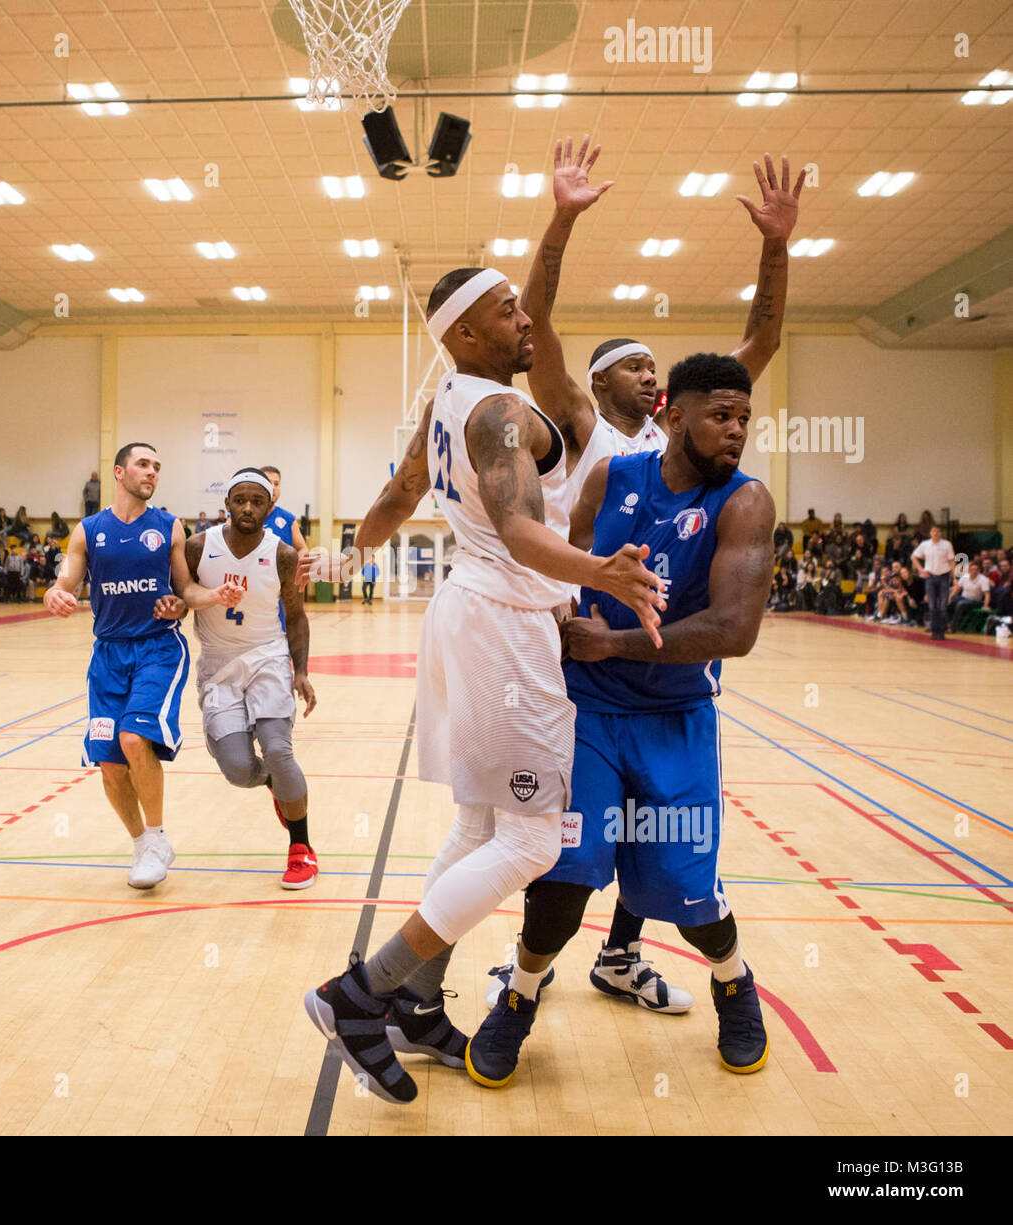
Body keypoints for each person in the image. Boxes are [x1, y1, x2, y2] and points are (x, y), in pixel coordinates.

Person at [302, 264, 668, 1104]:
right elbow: (517, 530)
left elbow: (399, 494)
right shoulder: (500, 410)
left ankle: (419, 1005)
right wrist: (602, 573)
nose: (526, 320)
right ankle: (360, 995)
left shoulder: (446, 402)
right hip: (503, 620)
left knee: (478, 824)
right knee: (533, 838)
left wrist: (351, 555)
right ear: (468, 335)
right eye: (509, 312)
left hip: (469, 611)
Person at [477, 138, 800, 1020]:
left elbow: (759, 341)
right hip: (589, 683)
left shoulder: (704, 444)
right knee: (578, 853)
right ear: (603, 383)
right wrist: (563, 221)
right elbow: (537, 324)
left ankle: (625, 956)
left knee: (661, 850)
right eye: (634, 362)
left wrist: (775, 243)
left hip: (667, 683)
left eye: (657, 364)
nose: (651, 371)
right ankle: (552, 972)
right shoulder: (589, 437)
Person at [466, 352, 777, 1086]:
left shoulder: (746, 501)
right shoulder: (609, 478)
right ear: (674, 418)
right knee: (564, 870)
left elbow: (736, 628)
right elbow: (562, 565)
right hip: (591, 709)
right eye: (720, 416)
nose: (735, 431)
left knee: (681, 888)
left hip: (675, 717)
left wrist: (617, 640)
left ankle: (732, 978)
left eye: (744, 418)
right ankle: (520, 992)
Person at [45, 442, 230, 890]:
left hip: (156, 648)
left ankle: (159, 836)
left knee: (133, 737)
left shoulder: (169, 527)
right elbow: (65, 579)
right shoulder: (88, 531)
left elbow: (183, 590)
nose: (152, 472)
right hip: (107, 655)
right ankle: (143, 844)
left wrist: (213, 597)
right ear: (119, 472)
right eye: (144, 464)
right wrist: (55, 593)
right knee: (109, 763)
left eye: (157, 467)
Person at [186, 468, 319, 889]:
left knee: (280, 750)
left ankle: (302, 849)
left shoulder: (282, 554)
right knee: (239, 770)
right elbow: (179, 594)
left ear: (270, 507)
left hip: (268, 658)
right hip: (218, 664)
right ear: (227, 504)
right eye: (239, 499)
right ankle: (277, 788)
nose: (247, 507)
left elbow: (296, 617)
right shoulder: (195, 548)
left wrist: (301, 671)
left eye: (256, 501)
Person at [912, 525, 955, 640]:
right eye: (933, 531)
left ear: (940, 533)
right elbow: (914, 557)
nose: (935, 533)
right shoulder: (925, 544)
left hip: (944, 576)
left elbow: (952, 561)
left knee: (943, 605)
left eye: (938, 531)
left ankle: (942, 631)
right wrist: (921, 570)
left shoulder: (947, 544)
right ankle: (934, 630)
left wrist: (954, 577)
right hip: (930, 576)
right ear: (930, 533)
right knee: (932, 605)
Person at [257, 466, 309, 552]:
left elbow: (302, 549)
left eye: (276, 484)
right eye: (268, 483)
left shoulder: (288, 518)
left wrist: (296, 564)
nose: (273, 488)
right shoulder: (244, 515)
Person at [949, 559, 991, 629]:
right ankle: (946, 622)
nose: (974, 571)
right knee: (949, 601)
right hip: (963, 598)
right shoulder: (965, 577)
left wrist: (985, 605)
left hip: (975, 601)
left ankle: (954, 627)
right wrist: (949, 598)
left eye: (976, 569)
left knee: (960, 604)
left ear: (979, 570)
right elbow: (957, 589)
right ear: (969, 570)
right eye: (972, 569)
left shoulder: (983, 579)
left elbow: (987, 594)